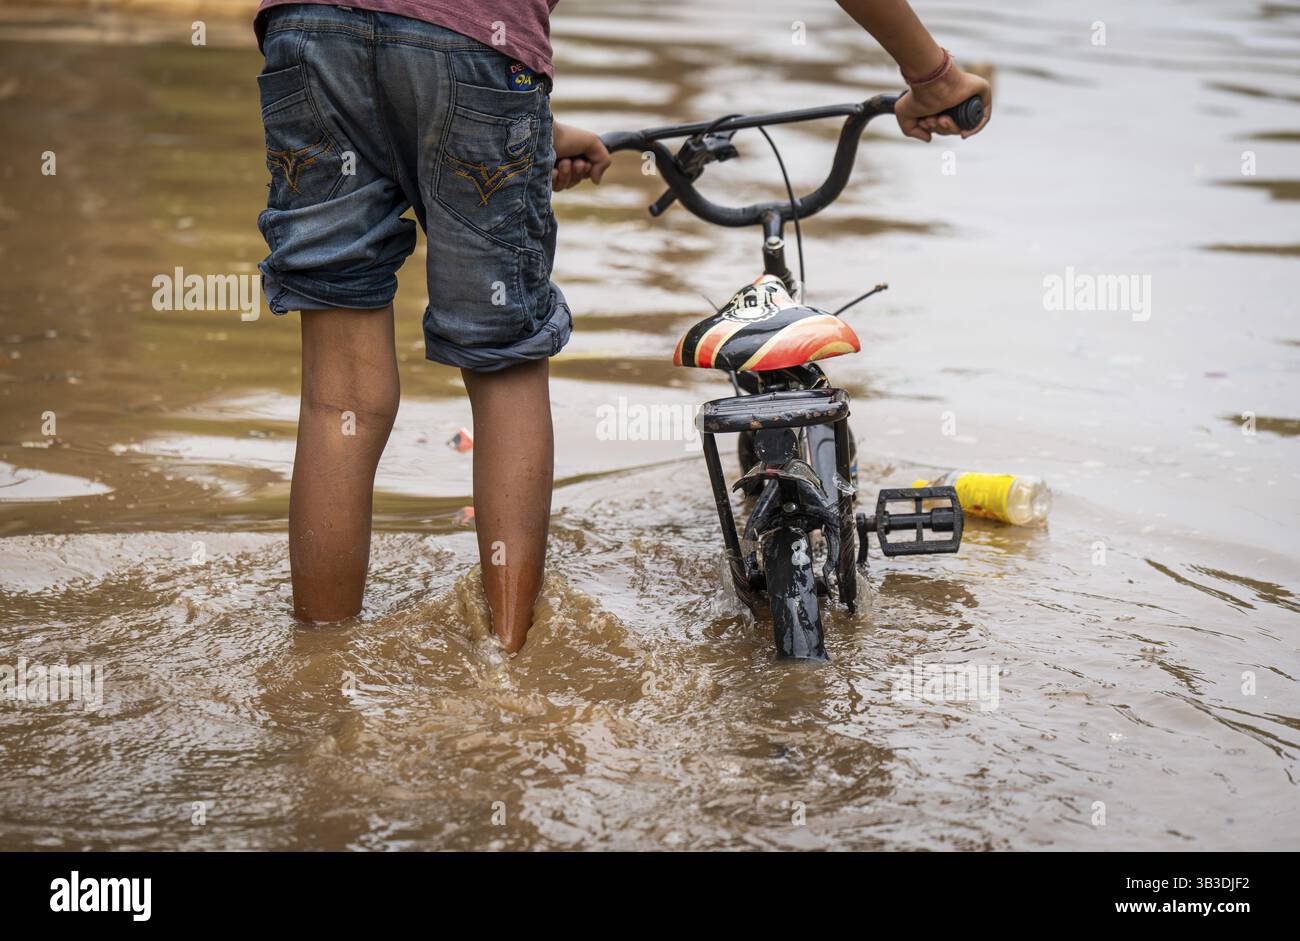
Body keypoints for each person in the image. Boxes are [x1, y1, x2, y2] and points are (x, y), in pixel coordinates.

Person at [252, 0, 990, 652]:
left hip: (309, 33)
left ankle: (318, 675)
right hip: (475, 42)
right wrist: (933, 73)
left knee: (339, 399)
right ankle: (504, 665)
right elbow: (454, 36)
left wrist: (533, 123)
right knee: (505, 364)